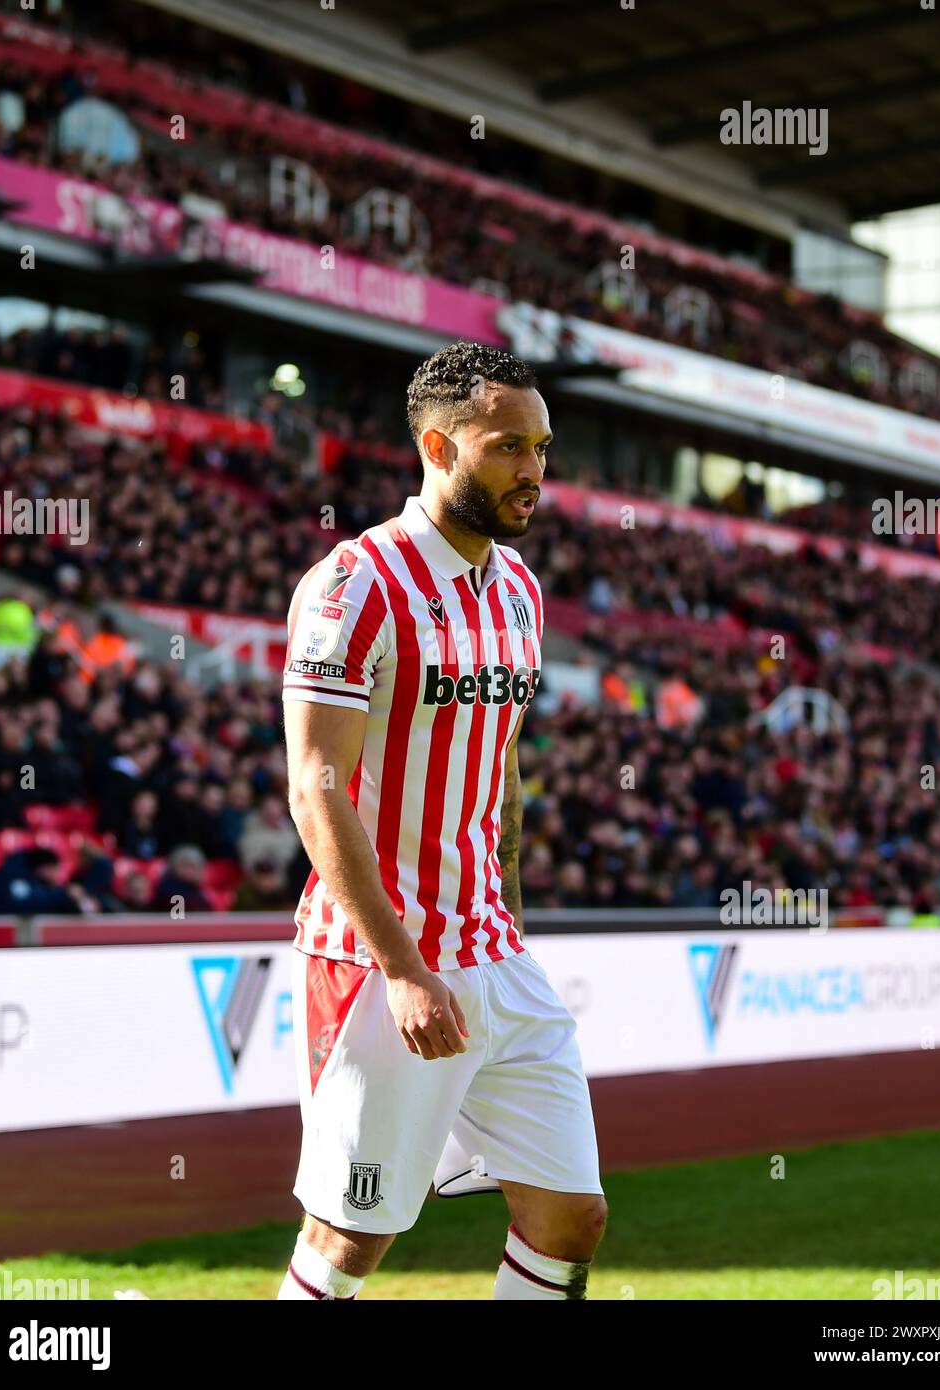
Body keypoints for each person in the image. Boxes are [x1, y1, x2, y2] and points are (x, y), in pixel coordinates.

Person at [279, 342, 605, 1303]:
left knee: (569, 1214)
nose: (534, 472)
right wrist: (404, 967)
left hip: (494, 950)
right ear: (437, 443)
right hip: (385, 961)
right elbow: (316, 787)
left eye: (543, 449)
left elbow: (499, 760)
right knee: (348, 1235)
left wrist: (504, 901)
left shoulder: (520, 589)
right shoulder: (355, 585)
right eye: (510, 448)